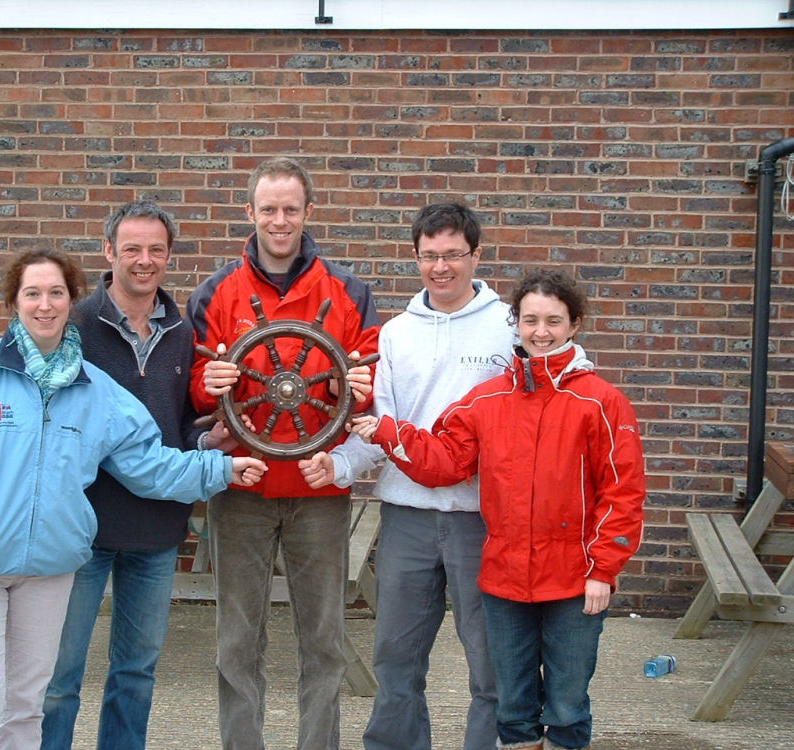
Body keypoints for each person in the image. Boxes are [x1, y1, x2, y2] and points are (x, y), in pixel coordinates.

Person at [0, 248, 266, 750]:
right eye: (32, 293)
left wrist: (220, 468)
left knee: (27, 707)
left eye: (56, 293)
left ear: (72, 301)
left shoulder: (98, 391)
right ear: (14, 301)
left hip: (48, 570)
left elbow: (149, 464)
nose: (44, 305)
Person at [352, 269, 646, 750]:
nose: (541, 332)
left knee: (568, 707)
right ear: (516, 324)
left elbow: (623, 491)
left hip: (575, 579)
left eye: (554, 320)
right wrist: (387, 431)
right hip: (505, 579)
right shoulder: (489, 398)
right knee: (513, 708)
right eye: (530, 320)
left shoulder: (601, 402)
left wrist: (604, 569)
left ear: (574, 325)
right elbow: (446, 460)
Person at [298, 201, 514, 750]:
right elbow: (377, 431)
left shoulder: (510, 328)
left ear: (476, 255)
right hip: (406, 518)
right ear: (416, 257)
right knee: (395, 661)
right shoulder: (396, 335)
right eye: (429, 256)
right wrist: (339, 464)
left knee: (492, 665)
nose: (441, 267)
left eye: (453, 256)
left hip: (482, 521)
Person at [186, 156, 381, 750]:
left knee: (323, 640)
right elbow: (193, 385)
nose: (279, 219)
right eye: (268, 208)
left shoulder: (347, 290)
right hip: (241, 486)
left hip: (320, 488)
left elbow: (369, 377)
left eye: (290, 209)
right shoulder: (218, 291)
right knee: (236, 641)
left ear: (308, 213)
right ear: (250, 213)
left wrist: (362, 390)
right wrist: (208, 385)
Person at [41, 203, 234, 750]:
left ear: (169, 255)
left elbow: (175, 425)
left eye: (155, 250)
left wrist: (205, 441)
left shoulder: (183, 332)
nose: (144, 260)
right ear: (109, 252)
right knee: (58, 678)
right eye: (132, 249)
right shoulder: (74, 324)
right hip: (82, 530)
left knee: (136, 673)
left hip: (156, 530)